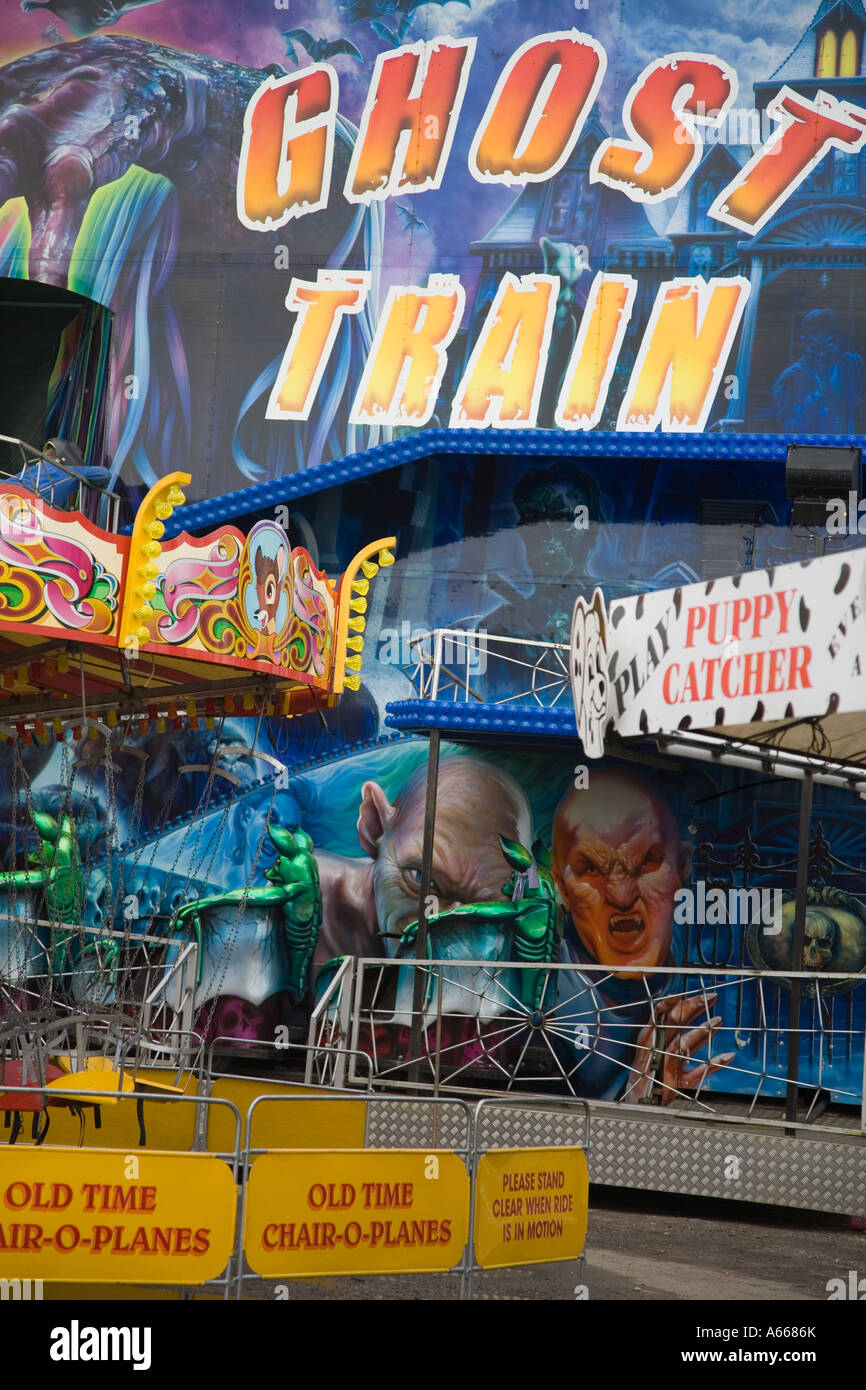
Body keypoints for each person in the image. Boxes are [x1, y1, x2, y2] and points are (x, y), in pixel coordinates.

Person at [550, 768, 734, 1103]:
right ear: (561, 887)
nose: (621, 896)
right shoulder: (542, 1005)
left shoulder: (706, 970)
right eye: (590, 869)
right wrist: (635, 1097)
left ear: (682, 866)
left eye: (648, 863)